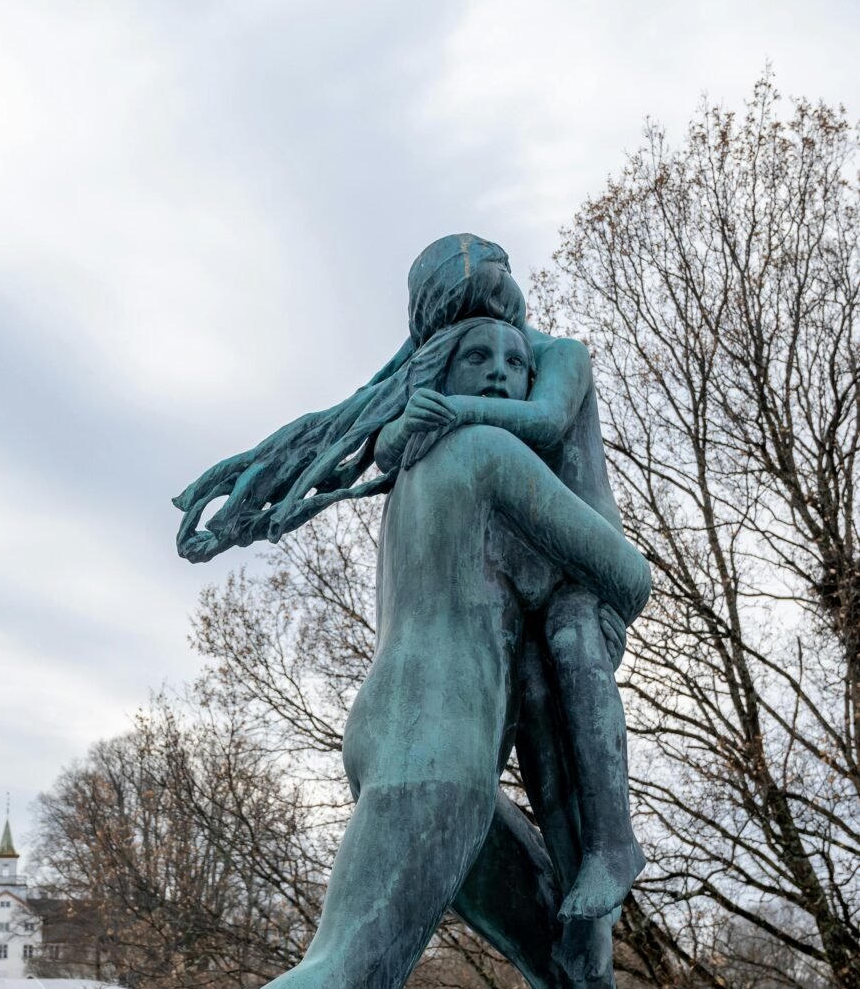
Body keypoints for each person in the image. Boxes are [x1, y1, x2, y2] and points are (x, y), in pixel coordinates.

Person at [93, 309, 782, 989]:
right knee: (345, 978)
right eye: (479, 360)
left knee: (572, 962)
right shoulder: (488, 449)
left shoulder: (421, 469)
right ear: (439, 373)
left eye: (515, 359)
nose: (504, 372)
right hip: (438, 754)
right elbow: (626, 574)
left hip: (406, 737)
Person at [178, 233, 643, 922]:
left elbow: (544, 424)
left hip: (579, 556)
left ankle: (613, 845)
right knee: (540, 707)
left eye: (482, 299)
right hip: (519, 570)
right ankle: (579, 875)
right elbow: (386, 427)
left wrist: (452, 412)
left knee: (573, 645)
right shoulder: (478, 360)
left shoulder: (555, 358)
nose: (485, 359)